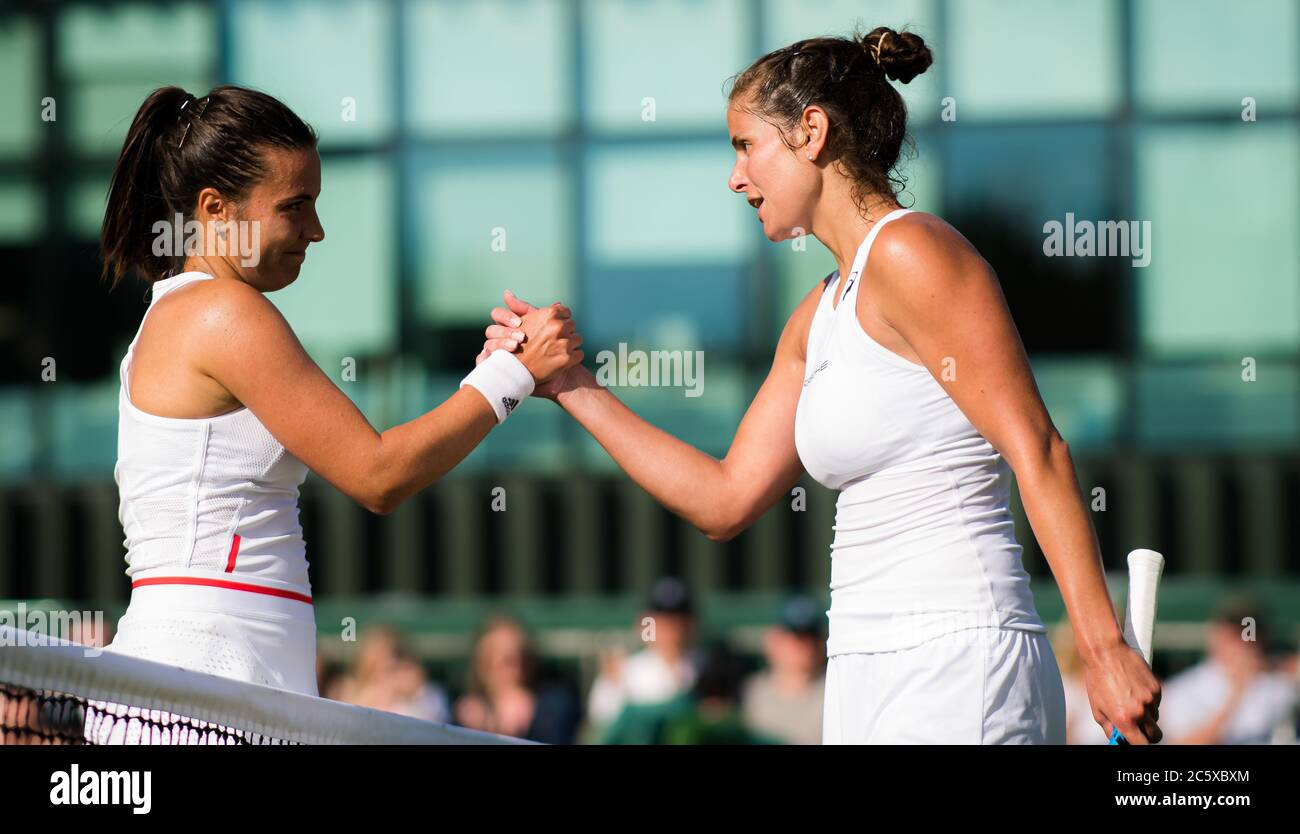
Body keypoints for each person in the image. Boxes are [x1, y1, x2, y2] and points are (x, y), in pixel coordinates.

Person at [480, 28, 1160, 744]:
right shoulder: (817, 314)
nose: (735, 177)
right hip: (861, 672)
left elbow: (1039, 449)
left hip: (961, 659)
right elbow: (725, 498)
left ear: (811, 131)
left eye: (746, 146)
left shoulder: (914, 250)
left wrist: (1102, 650)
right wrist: (568, 385)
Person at [99, 85, 583, 698]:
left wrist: (500, 373)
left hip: (225, 690)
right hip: (203, 693)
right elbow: (377, 473)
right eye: (294, 206)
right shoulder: (221, 310)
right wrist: (513, 373)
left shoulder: (190, 312)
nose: (317, 230)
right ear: (215, 208)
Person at [1159, 597, 1297, 745]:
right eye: (1235, 634)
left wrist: (1271, 665)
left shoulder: (1277, 679)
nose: (1243, 641)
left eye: (1250, 633)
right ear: (1216, 635)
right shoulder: (1183, 690)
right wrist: (1236, 695)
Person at [586, 577, 699, 732]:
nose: (670, 627)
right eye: (661, 619)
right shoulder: (623, 671)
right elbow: (601, 725)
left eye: (677, 618)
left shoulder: (707, 668)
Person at [454, 614, 578, 744]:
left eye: (520, 658)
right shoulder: (466, 714)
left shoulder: (554, 705)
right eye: (505, 661)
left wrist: (533, 715)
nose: (514, 670)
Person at [741, 596, 826, 745]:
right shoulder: (750, 691)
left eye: (812, 637)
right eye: (797, 637)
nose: (806, 646)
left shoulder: (833, 692)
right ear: (773, 640)